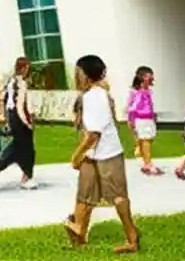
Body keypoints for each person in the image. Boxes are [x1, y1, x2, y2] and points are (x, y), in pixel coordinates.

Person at [64, 55, 139, 253]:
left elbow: (93, 134)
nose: (75, 77)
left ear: (86, 75)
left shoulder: (95, 97)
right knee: (85, 195)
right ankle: (79, 236)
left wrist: (76, 157)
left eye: (78, 73)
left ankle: (132, 239)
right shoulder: (90, 95)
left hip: (108, 154)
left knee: (118, 197)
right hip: (93, 154)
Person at [0, 57, 37, 189]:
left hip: (13, 117)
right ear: (23, 68)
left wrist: (7, 119)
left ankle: (3, 161)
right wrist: (28, 121)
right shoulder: (21, 84)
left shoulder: (11, 82)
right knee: (27, 149)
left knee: (20, 144)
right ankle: (25, 175)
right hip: (20, 118)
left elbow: (5, 102)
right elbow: (21, 105)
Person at [126, 66, 162, 176]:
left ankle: (146, 162)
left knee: (147, 140)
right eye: (148, 76)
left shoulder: (148, 91)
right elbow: (132, 107)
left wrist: (153, 114)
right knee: (146, 140)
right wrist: (131, 119)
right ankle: (148, 163)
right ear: (141, 77)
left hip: (148, 118)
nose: (151, 78)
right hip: (141, 119)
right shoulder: (138, 92)